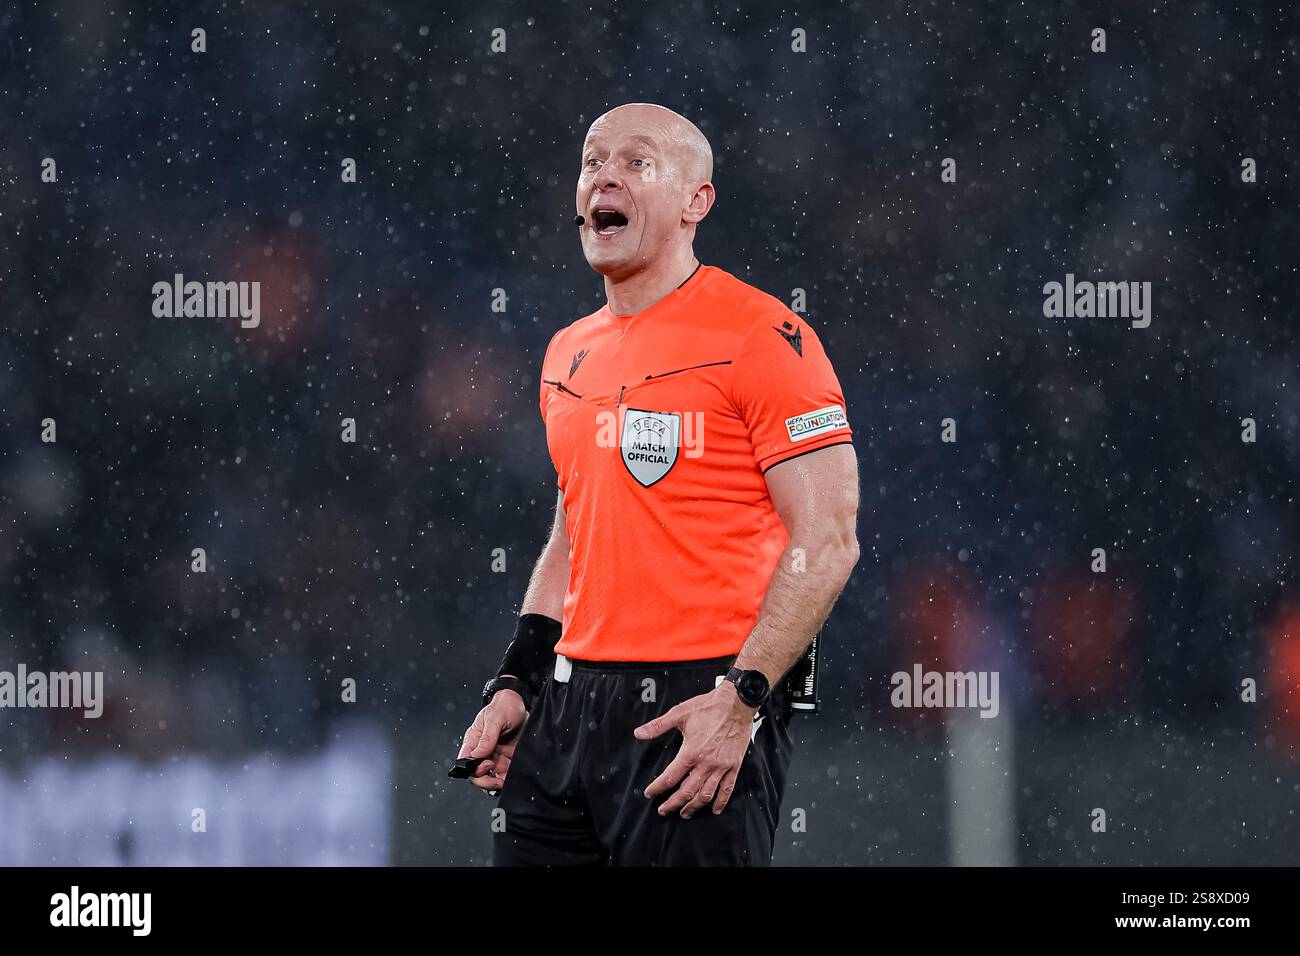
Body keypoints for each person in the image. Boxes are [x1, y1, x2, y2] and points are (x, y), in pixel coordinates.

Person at [456, 103, 860, 866]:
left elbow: (828, 540)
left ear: (695, 202)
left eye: (637, 162)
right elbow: (576, 529)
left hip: (698, 703)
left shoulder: (764, 337)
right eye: (591, 161)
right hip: (568, 712)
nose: (603, 174)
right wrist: (518, 680)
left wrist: (743, 700)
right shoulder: (567, 354)